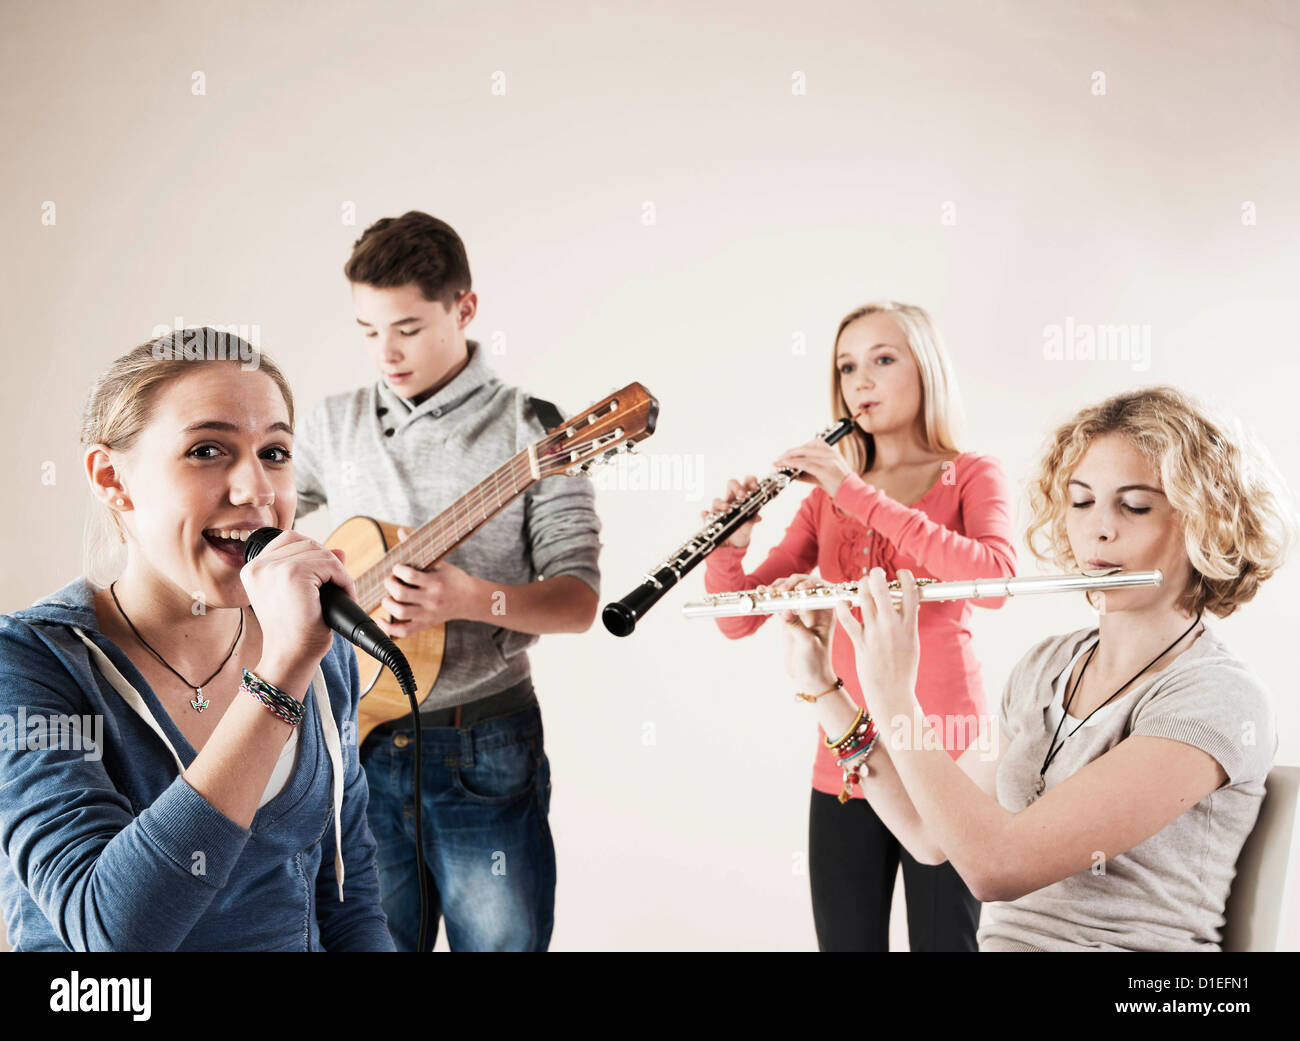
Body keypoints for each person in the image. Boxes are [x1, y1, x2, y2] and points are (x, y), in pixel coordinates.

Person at [778, 386, 1295, 950]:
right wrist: (824, 688)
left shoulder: (1217, 696)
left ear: (1207, 525)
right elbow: (928, 836)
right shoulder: (1047, 666)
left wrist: (895, 696)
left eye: (1135, 505)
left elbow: (997, 867)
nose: (1098, 529)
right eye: (1080, 501)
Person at [0, 329, 394, 951]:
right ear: (112, 479)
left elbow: (349, 896)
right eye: (208, 450)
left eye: (276, 453)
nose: (257, 490)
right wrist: (280, 677)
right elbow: (111, 934)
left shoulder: (322, 649)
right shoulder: (30, 661)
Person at [291, 211, 602, 951]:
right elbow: (259, 527)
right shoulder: (330, 425)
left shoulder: (538, 430)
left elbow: (580, 599)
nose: (385, 352)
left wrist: (474, 598)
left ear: (463, 307)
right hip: (354, 746)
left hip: (484, 746)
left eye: (406, 327)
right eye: (368, 330)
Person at [703, 301, 1016, 951]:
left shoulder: (969, 473)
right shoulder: (827, 497)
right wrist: (728, 548)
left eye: (882, 359)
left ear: (926, 368)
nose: (861, 382)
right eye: (847, 367)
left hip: (947, 759)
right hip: (847, 766)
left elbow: (994, 582)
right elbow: (738, 621)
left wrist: (856, 492)